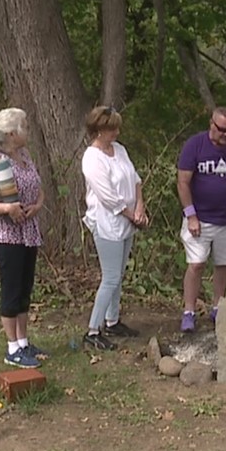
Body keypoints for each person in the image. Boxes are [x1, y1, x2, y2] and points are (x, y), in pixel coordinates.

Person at [0, 107, 47, 369]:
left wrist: (37, 205)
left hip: (29, 231)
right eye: (25, 126)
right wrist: (7, 208)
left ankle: (24, 341)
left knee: (25, 287)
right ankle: (12, 347)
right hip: (7, 234)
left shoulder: (24, 155)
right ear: (12, 133)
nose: (28, 130)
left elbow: (37, 189)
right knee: (12, 289)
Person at [176, 107, 226, 332]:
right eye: (222, 130)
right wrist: (191, 215)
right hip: (200, 219)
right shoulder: (195, 145)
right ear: (211, 125)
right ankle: (189, 311)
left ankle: (218, 309)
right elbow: (183, 182)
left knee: (223, 265)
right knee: (196, 264)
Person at [80, 106, 148, 350]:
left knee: (118, 275)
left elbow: (135, 179)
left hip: (127, 222)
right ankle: (92, 329)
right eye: (112, 129)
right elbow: (108, 197)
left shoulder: (119, 150)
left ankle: (112, 319)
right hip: (108, 223)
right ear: (99, 130)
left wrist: (140, 207)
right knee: (109, 277)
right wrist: (132, 215)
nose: (117, 132)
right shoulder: (92, 158)